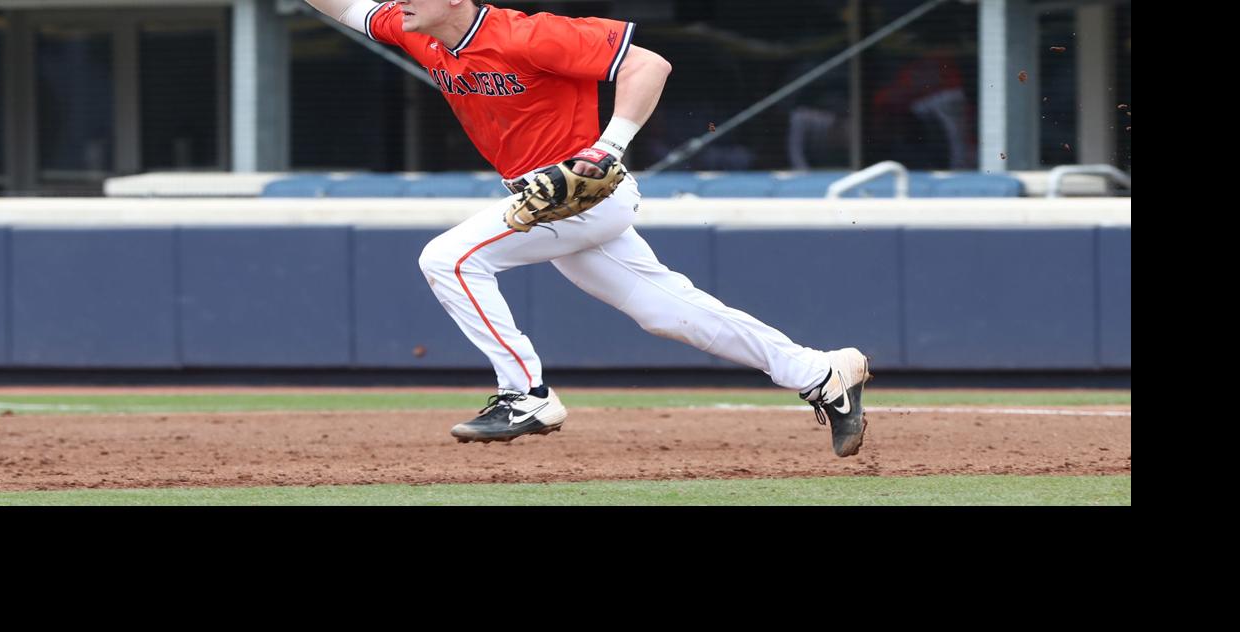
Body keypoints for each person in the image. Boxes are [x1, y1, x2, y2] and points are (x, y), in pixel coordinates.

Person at [303, 0, 871, 456]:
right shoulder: (419, 31)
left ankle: (525, 393)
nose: (396, 2)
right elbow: (345, 8)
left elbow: (650, 64)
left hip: (587, 191)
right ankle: (821, 372)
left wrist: (608, 148)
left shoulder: (530, 35)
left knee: (448, 258)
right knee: (666, 311)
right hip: (545, 199)